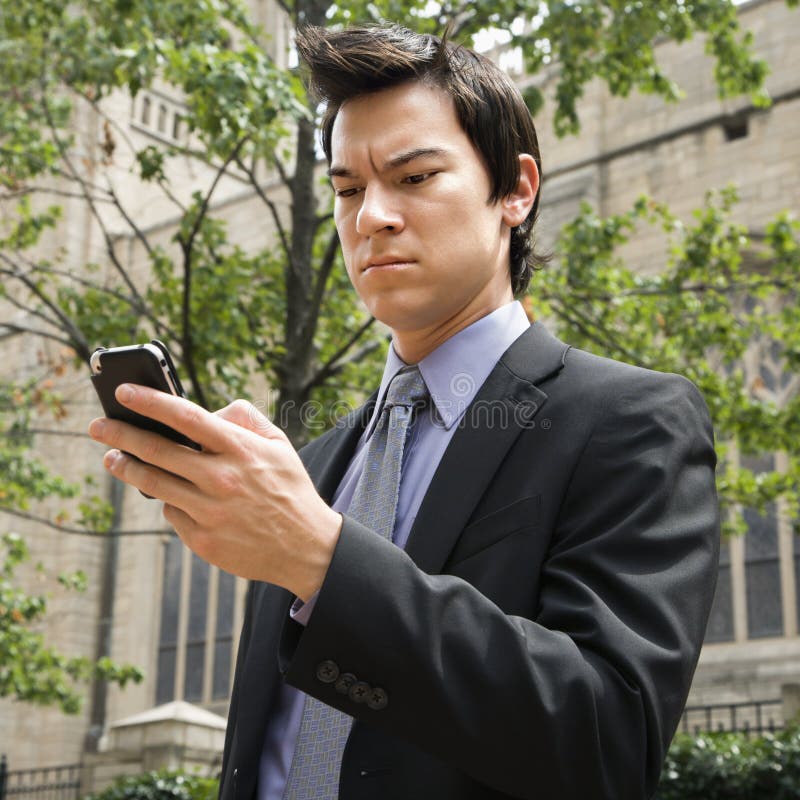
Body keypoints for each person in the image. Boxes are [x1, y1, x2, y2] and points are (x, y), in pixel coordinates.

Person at [88, 23, 720, 800]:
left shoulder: (628, 419)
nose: (370, 218)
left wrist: (321, 561)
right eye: (349, 189)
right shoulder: (314, 466)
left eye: (414, 178)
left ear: (516, 190)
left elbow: (606, 740)